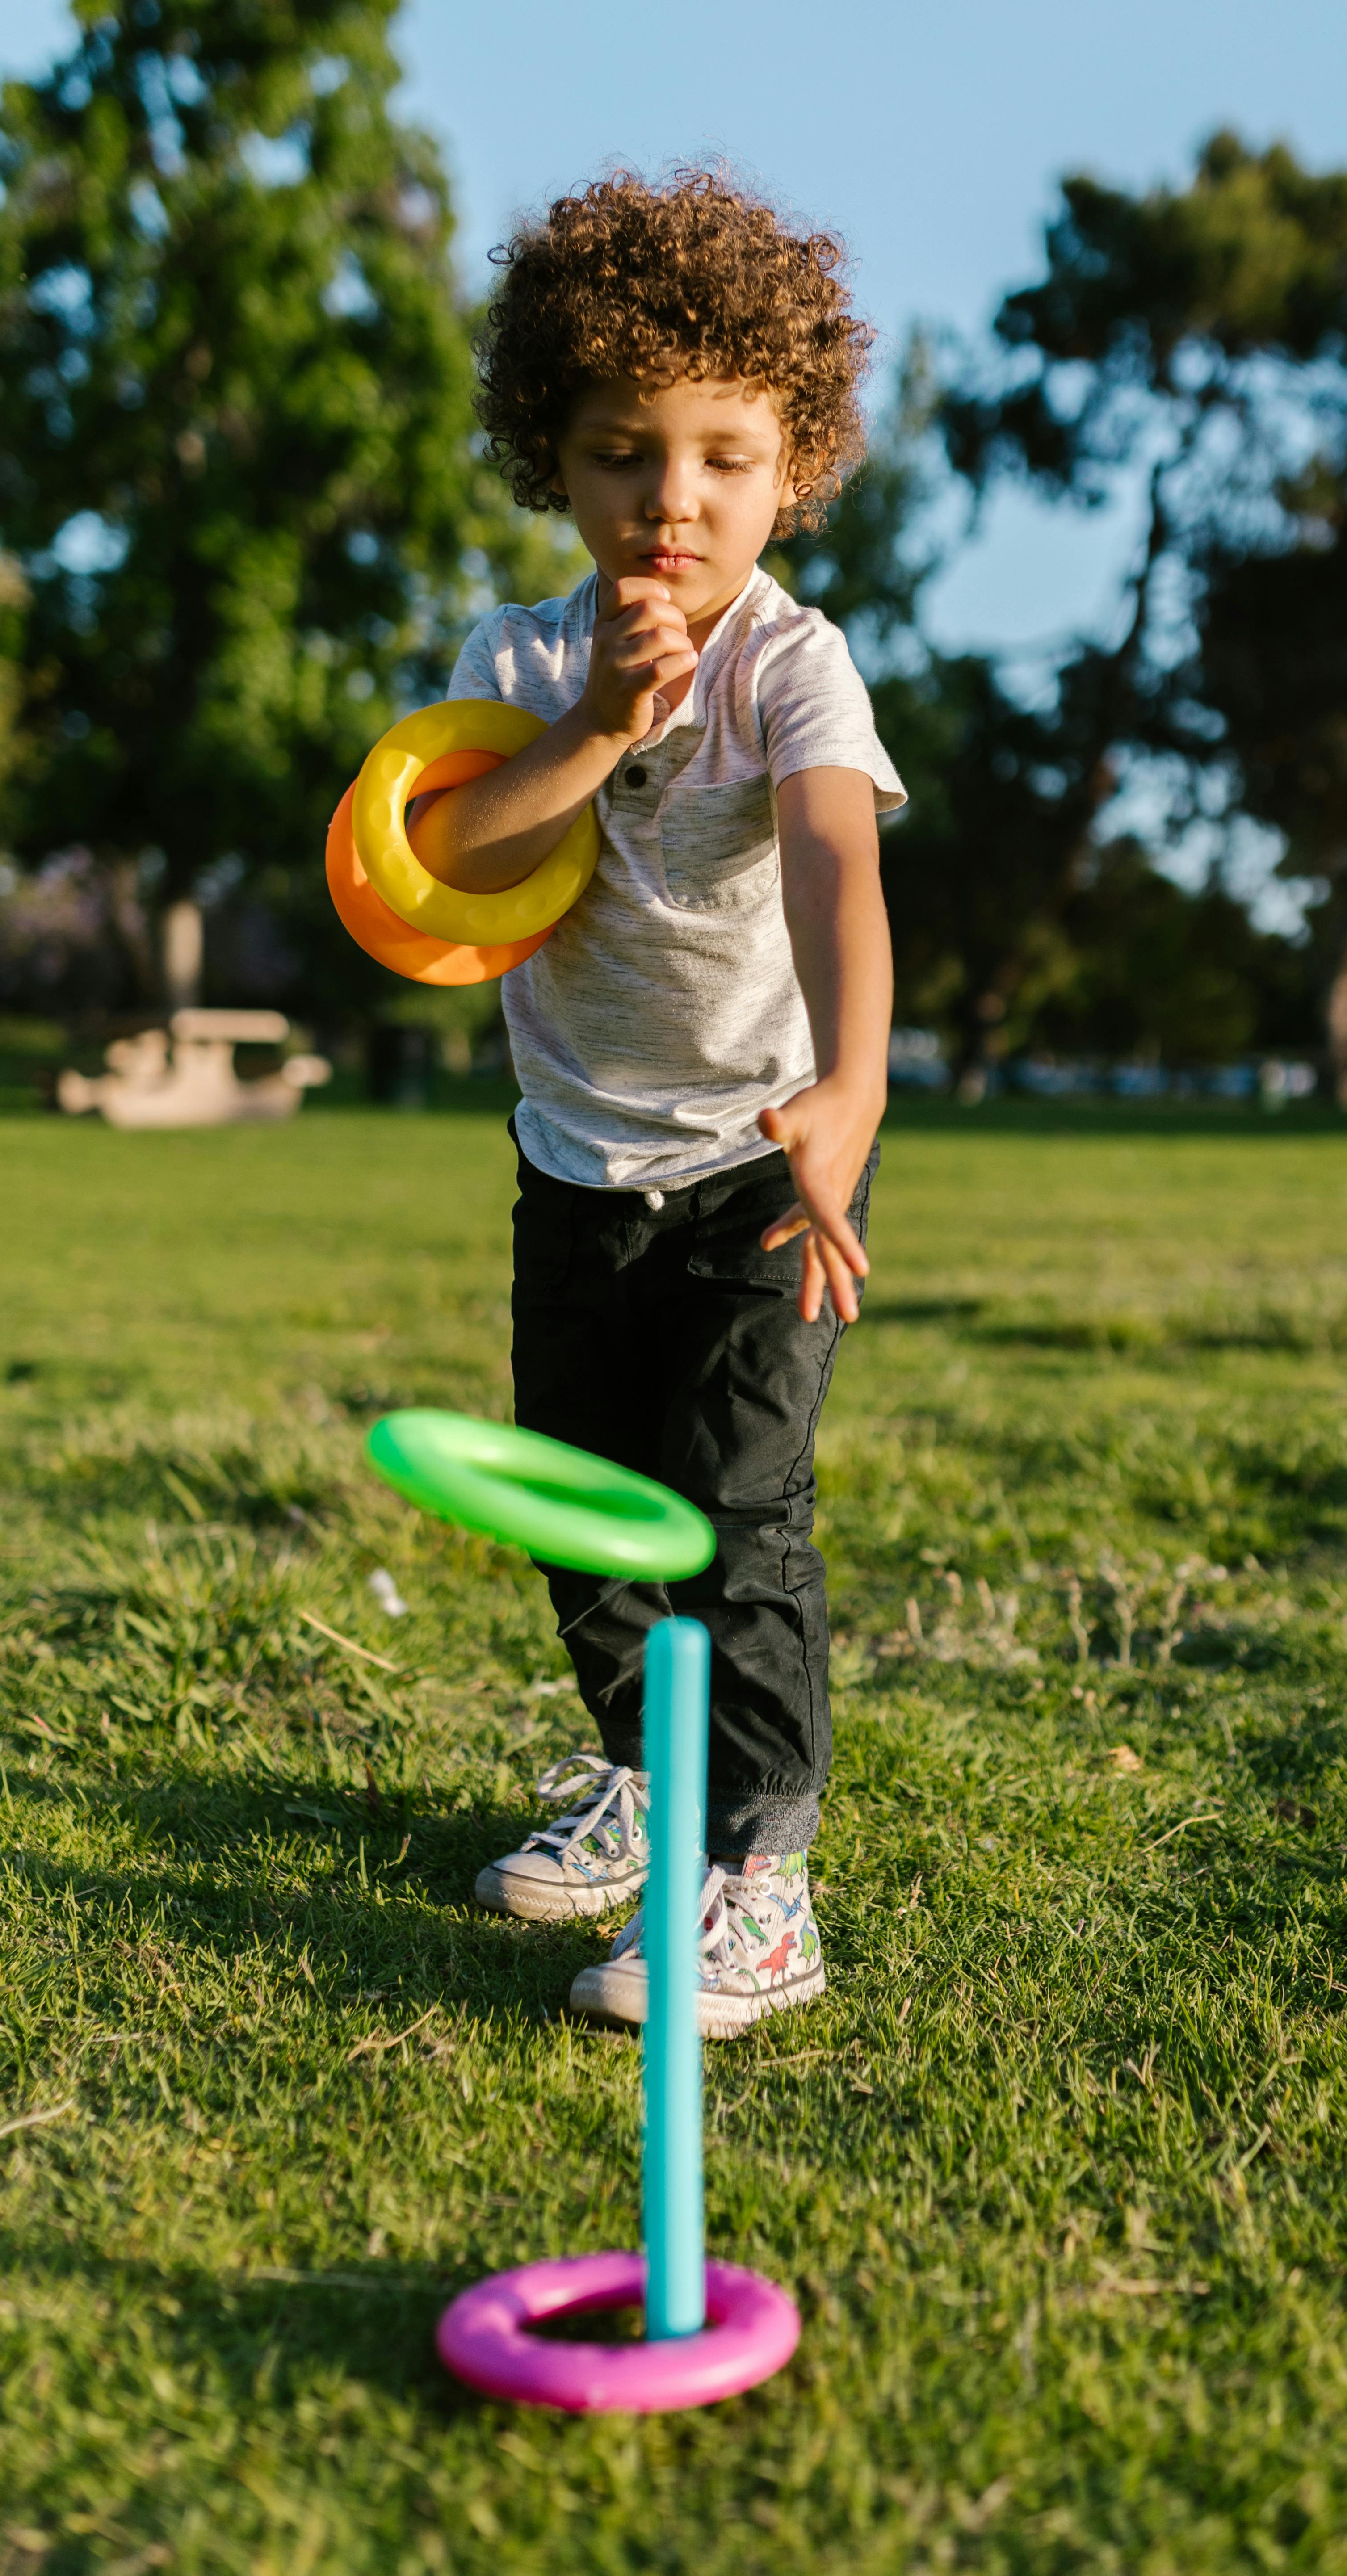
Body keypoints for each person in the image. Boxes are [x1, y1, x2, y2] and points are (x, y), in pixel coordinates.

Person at [416, 170, 903, 2035]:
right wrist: (601, 727)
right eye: (625, 451)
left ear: (794, 473)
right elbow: (452, 854)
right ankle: (645, 1779)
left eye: (721, 456)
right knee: (588, 1507)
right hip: (573, 1162)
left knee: (738, 1506)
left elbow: (834, 871)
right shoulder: (525, 662)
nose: (671, 498)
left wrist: (851, 1088)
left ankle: (759, 1881)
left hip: (761, 1166)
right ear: (555, 459)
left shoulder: (795, 664)